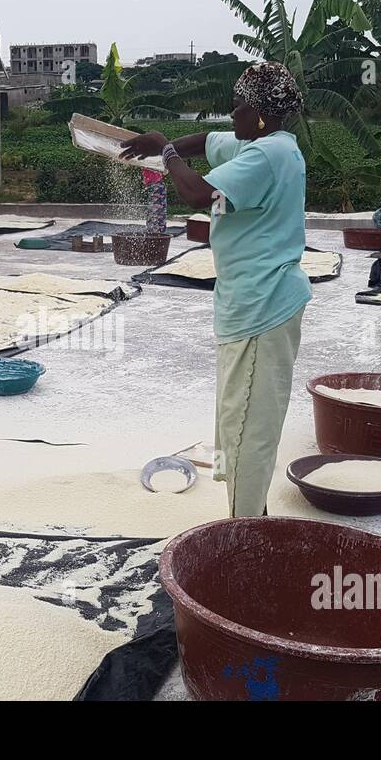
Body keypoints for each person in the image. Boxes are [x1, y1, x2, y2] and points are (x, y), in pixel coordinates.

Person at [121, 61, 309, 518]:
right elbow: (206, 142)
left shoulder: (266, 157)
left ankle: (247, 535)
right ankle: (251, 517)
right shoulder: (265, 143)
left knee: (249, 428)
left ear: (260, 113)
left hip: (264, 305)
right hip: (248, 303)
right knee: (236, 420)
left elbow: (197, 194)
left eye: (238, 108)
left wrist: (164, 153)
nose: (232, 117)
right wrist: (157, 147)